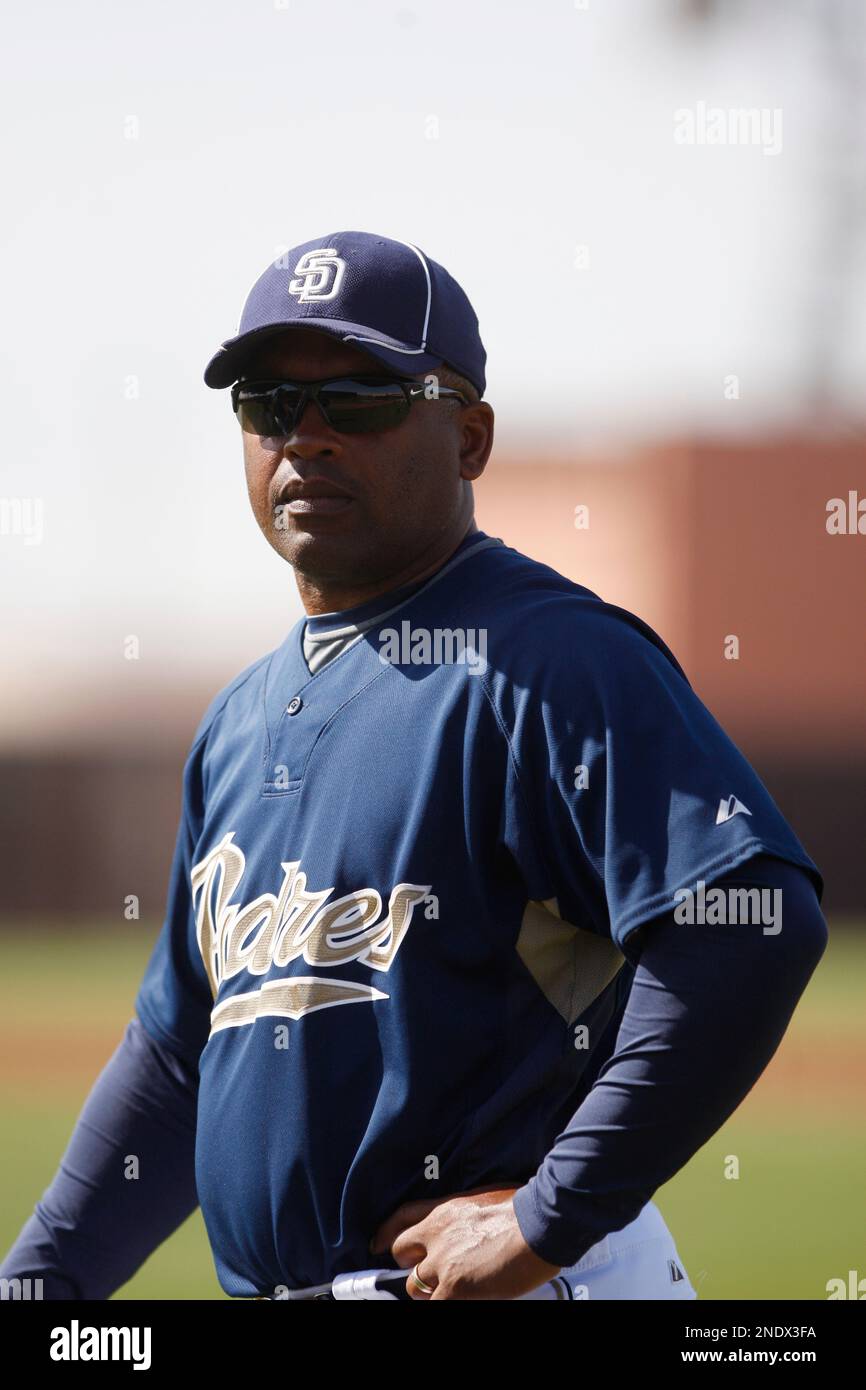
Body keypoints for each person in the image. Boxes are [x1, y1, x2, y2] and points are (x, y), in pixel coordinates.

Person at [0, 231, 827, 1302]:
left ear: (469, 436)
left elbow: (750, 919)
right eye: (266, 403)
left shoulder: (550, 660)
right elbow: (179, 1053)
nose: (305, 438)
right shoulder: (237, 723)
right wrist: (40, 1284)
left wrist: (545, 1215)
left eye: (358, 398)